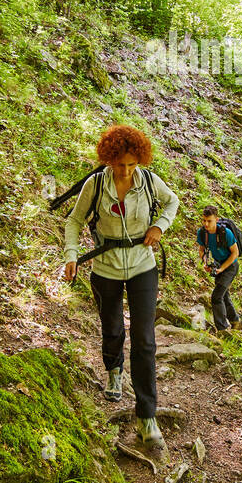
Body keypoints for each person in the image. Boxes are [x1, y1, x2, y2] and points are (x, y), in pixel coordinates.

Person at [63, 125, 179, 457]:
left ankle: (147, 416)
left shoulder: (149, 182)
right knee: (113, 328)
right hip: (105, 268)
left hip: (143, 266)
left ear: (139, 160)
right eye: (120, 165)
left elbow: (172, 203)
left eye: (131, 164)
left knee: (144, 339)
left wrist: (159, 226)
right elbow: (74, 221)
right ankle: (114, 371)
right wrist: (71, 255)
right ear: (109, 159)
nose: (126, 171)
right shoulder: (96, 184)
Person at [196, 206, 242, 332]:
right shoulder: (202, 233)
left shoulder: (225, 233)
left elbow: (235, 253)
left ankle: (222, 328)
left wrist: (222, 269)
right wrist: (205, 262)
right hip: (218, 265)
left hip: (230, 266)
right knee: (224, 295)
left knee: (216, 296)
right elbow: (202, 250)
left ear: (216, 219)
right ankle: (236, 322)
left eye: (209, 221)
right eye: (204, 220)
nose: (206, 224)